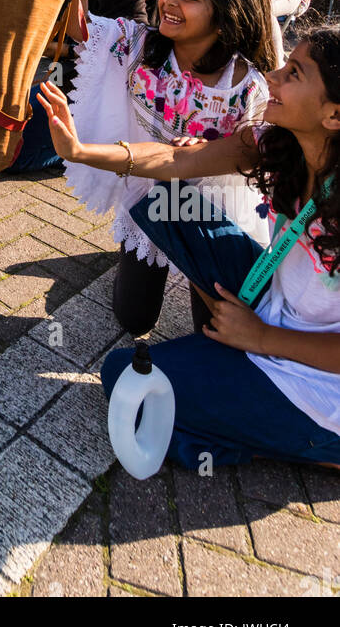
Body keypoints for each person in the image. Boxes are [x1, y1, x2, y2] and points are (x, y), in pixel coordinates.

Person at [41, 25, 340, 472]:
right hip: (274, 309)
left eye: (294, 73)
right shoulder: (282, 143)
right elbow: (178, 161)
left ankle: (311, 443)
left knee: (122, 375)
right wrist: (82, 150)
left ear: (334, 115)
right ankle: (234, 375)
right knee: (167, 201)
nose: (273, 77)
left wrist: (259, 338)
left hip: (317, 381)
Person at [44, 0, 275, 337]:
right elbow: (75, 25)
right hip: (148, 199)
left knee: (212, 327)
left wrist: (206, 150)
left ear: (227, 14)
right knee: (134, 319)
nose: (168, 1)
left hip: (212, 211)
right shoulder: (138, 45)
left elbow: (251, 155)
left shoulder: (245, 85)